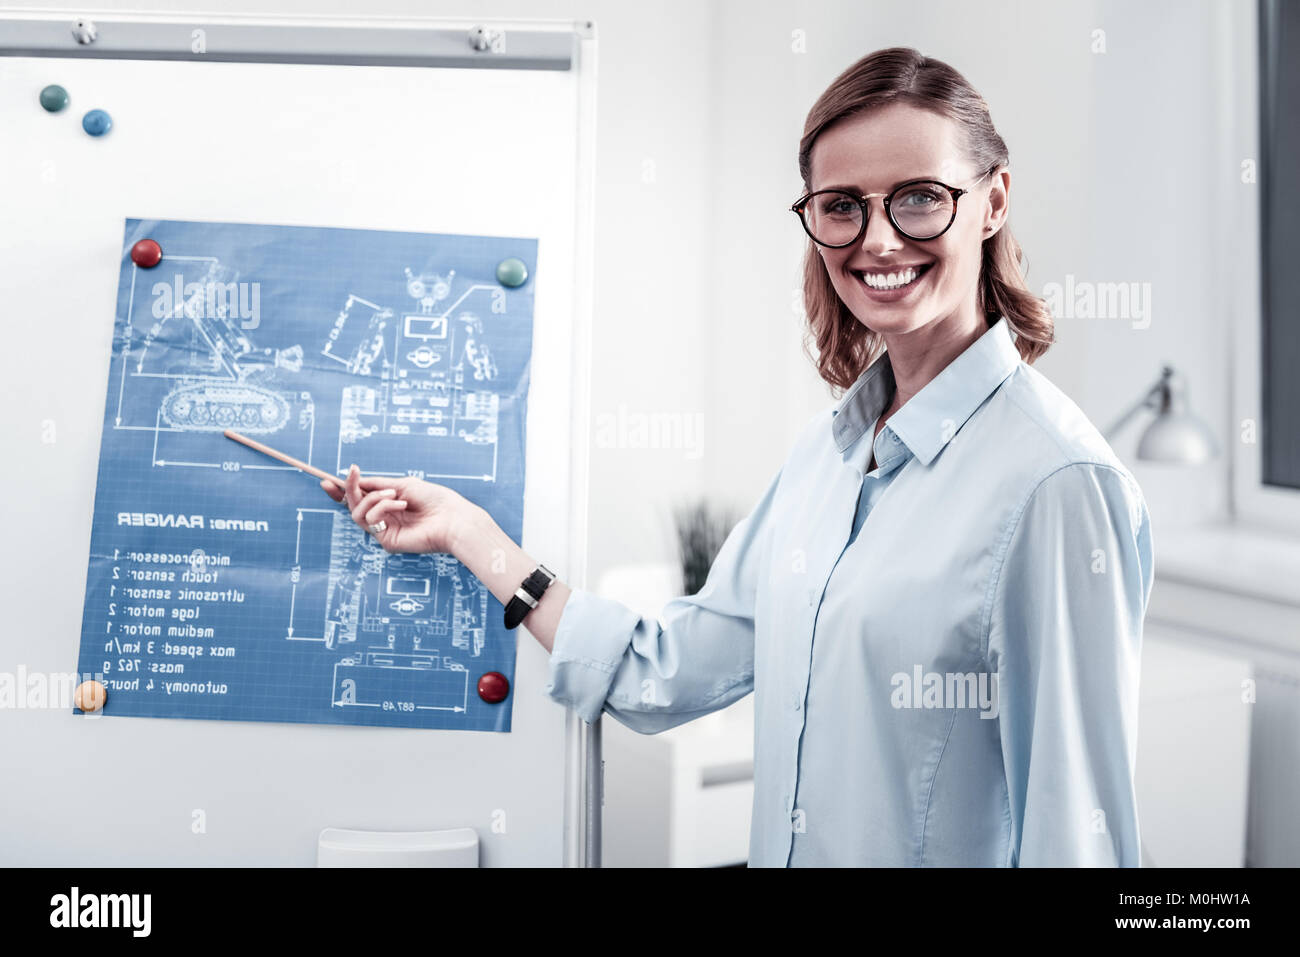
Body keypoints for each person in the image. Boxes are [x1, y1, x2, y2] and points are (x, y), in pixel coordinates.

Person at [321, 47, 1154, 868]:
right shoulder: (828, 457)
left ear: (993, 200)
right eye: (841, 207)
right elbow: (669, 670)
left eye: (919, 198)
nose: (878, 240)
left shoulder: (1055, 485)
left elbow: (1078, 841)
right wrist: (474, 536)